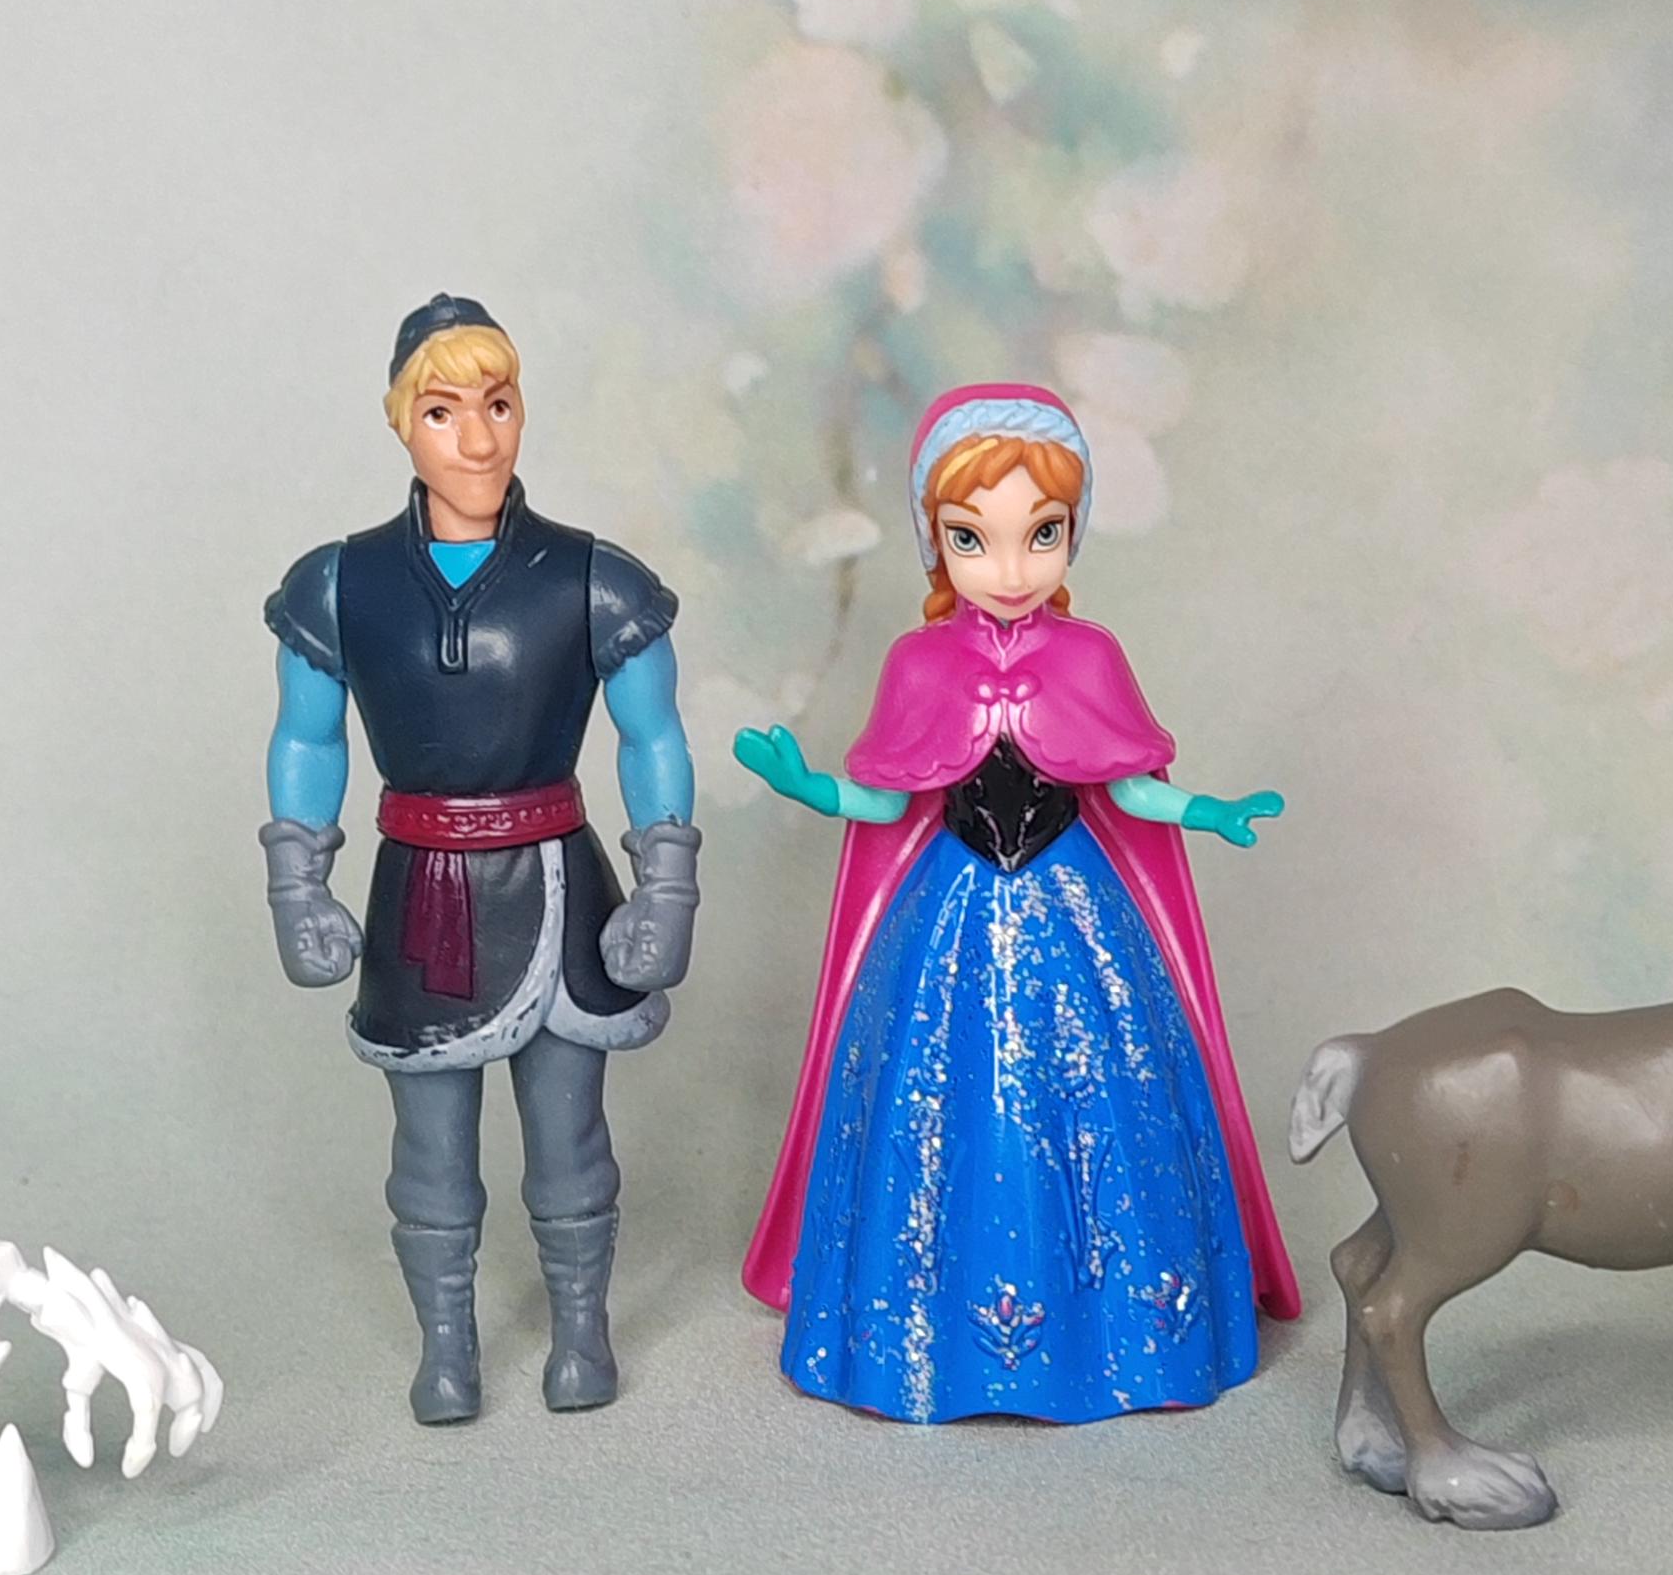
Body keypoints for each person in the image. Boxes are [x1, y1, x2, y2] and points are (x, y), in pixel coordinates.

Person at [738, 381, 1300, 1422]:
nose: (1009, 570)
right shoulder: (919, 663)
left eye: (1041, 535)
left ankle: (1124, 1331)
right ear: (936, 542)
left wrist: (1209, 810)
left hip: (1074, 907)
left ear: (1072, 535)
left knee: (1101, 1096)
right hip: (948, 910)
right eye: (973, 538)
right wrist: (809, 785)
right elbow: (886, 795)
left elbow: (1130, 787)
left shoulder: (1090, 657)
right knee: (934, 1100)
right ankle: (923, 1332)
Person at [258, 294, 699, 1422]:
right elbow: (308, 739)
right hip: (422, 897)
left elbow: (652, 735)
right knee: (430, 1145)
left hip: (555, 882)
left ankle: (582, 1337)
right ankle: (446, 1352)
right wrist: (296, 882)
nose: (477, 438)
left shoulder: (591, 579)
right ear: (401, 422)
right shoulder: (341, 587)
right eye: (444, 411)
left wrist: (667, 883)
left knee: (568, 1131)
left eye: (497, 406)